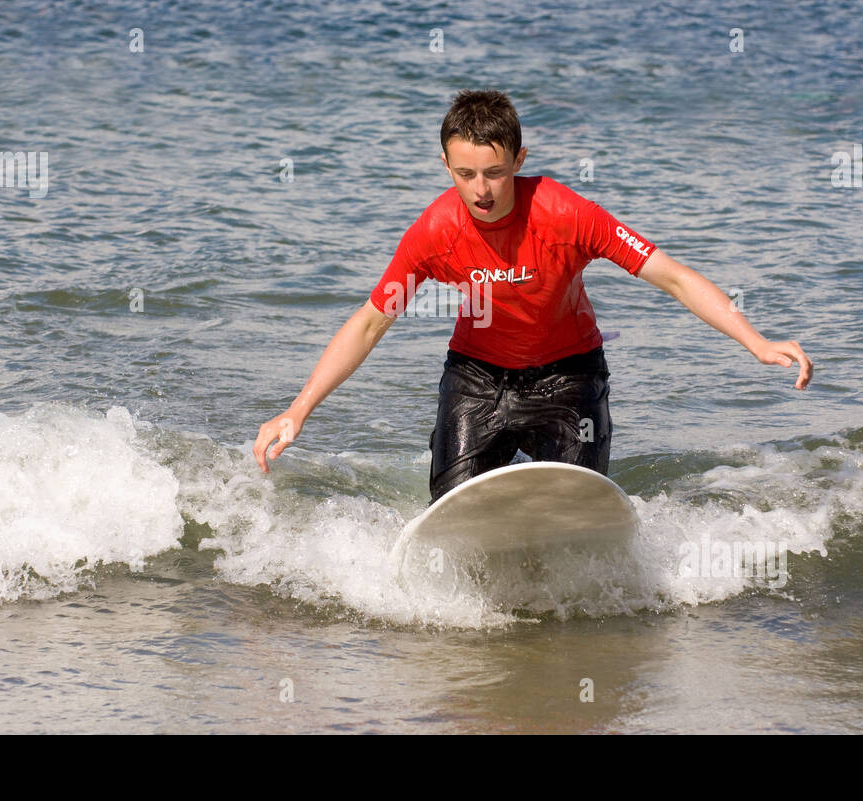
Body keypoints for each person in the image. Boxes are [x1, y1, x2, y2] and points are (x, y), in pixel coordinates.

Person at [253, 90, 813, 503]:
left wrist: (756, 342)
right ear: (445, 165)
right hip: (476, 381)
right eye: (466, 173)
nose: (481, 190)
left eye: (495, 173)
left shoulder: (567, 214)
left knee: (578, 510)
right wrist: (298, 410)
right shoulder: (433, 233)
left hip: (570, 379)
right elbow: (371, 322)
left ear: (519, 162)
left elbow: (673, 277)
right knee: (454, 512)